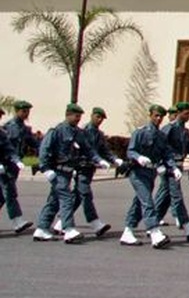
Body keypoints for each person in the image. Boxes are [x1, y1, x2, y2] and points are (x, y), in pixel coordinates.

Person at [33, 103, 110, 242]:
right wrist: (45, 169)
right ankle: (68, 230)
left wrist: (99, 160)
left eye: (80, 117)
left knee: (54, 200)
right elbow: (44, 150)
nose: (78, 119)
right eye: (76, 116)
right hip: (58, 171)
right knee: (67, 198)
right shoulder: (57, 131)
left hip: (68, 172)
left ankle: (41, 229)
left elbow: (88, 149)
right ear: (68, 115)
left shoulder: (77, 132)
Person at [58, 106, 123, 238]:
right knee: (86, 194)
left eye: (102, 118)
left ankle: (60, 223)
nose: (99, 120)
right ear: (92, 116)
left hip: (90, 168)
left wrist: (114, 160)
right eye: (98, 117)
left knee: (77, 197)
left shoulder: (98, 134)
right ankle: (95, 223)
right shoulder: (83, 132)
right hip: (81, 167)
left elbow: (104, 150)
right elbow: (77, 150)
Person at [120, 104, 178, 248]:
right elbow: (130, 151)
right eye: (156, 116)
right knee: (147, 202)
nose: (158, 119)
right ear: (150, 115)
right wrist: (139, 157)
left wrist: (173, 167)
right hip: (138, 172)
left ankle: (128, 231)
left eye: (161, 116)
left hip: (151, 173)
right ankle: (154, 232)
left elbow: (166, 154)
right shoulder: (140, 132)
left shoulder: (161, 136)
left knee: (139, 203)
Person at [154, 101, 189, 240]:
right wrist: (159, 164)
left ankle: (152, 224)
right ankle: (187, 227)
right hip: (169, 166)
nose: (188, 116)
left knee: (165, 197)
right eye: (186, 113)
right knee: (176, 196)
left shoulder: (185, 131)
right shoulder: (169, 128)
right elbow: (158, 147)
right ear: (179, 113)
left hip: (177, 167)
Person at [2, 100, 37, 234]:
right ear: (17, 111)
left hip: (16, 165)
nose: (26, 113)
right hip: (5, 164)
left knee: (2, 196)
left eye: (28, 111)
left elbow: (34, 143)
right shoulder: (8, 127)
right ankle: (17, 221)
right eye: (23, 111)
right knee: (10, 192)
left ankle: (17, 220)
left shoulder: (25, 128)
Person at [0, 108, 25, 227]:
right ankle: (18, 221)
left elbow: (9, 149)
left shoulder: (1, 134)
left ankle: (18, 221)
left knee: (7, 193)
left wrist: (17, 161)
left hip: (4, 169)